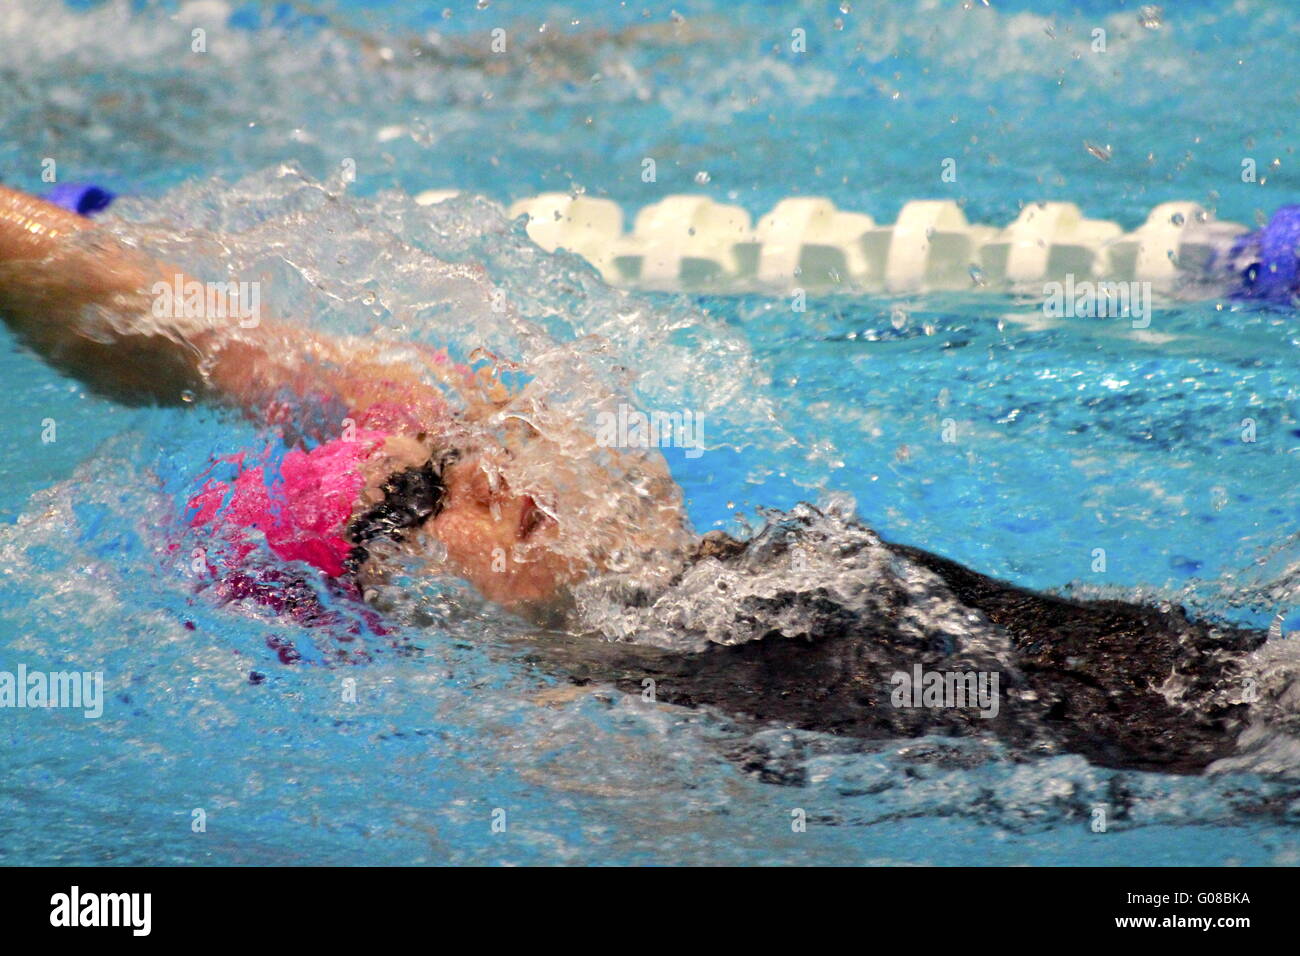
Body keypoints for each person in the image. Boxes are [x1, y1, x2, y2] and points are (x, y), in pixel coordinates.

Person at [0, 184, 1276, 774]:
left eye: (458, 445)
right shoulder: (581, 719)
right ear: (392, 602)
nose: (488, 475)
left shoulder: (747, 565)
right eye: (415, 501)